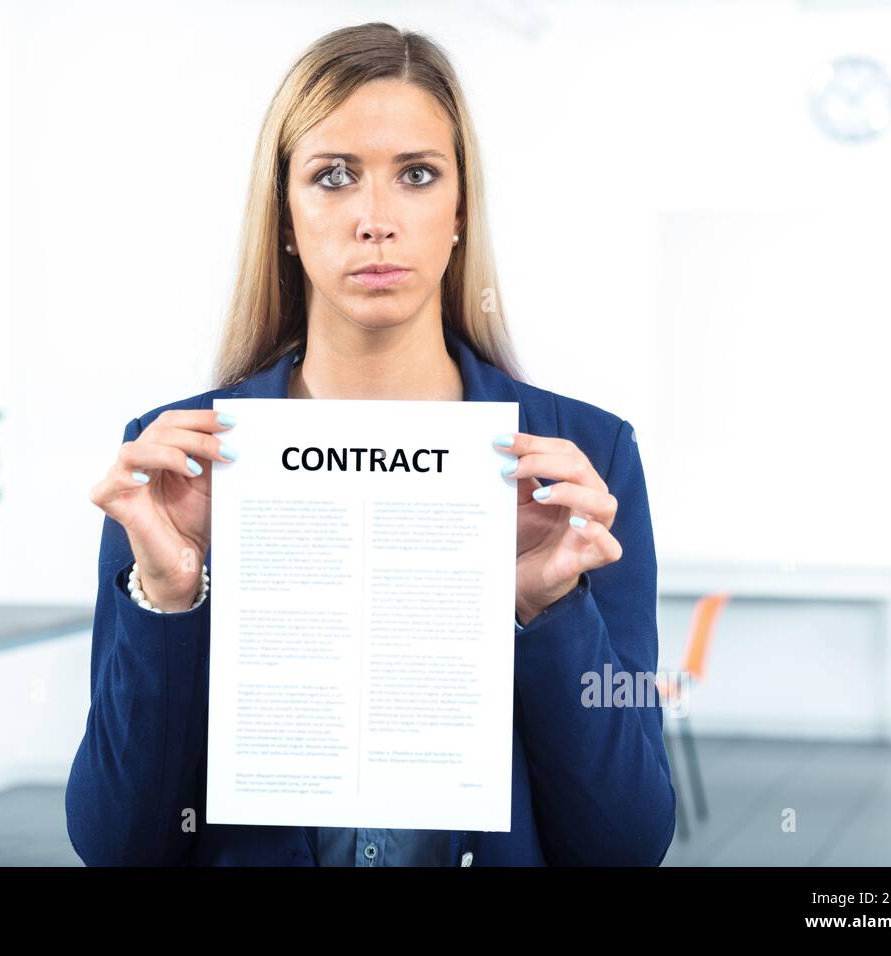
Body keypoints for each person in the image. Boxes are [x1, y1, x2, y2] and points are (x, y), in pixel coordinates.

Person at [65, 21, 677, 867]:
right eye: (333, 176)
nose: (376, 219)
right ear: (284, 215)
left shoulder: (585, 458)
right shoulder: (177, 464)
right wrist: (169, 598)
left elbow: (626, 846)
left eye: (417, 175)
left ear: (461, 209)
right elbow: (117, 846)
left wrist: (549, 610)